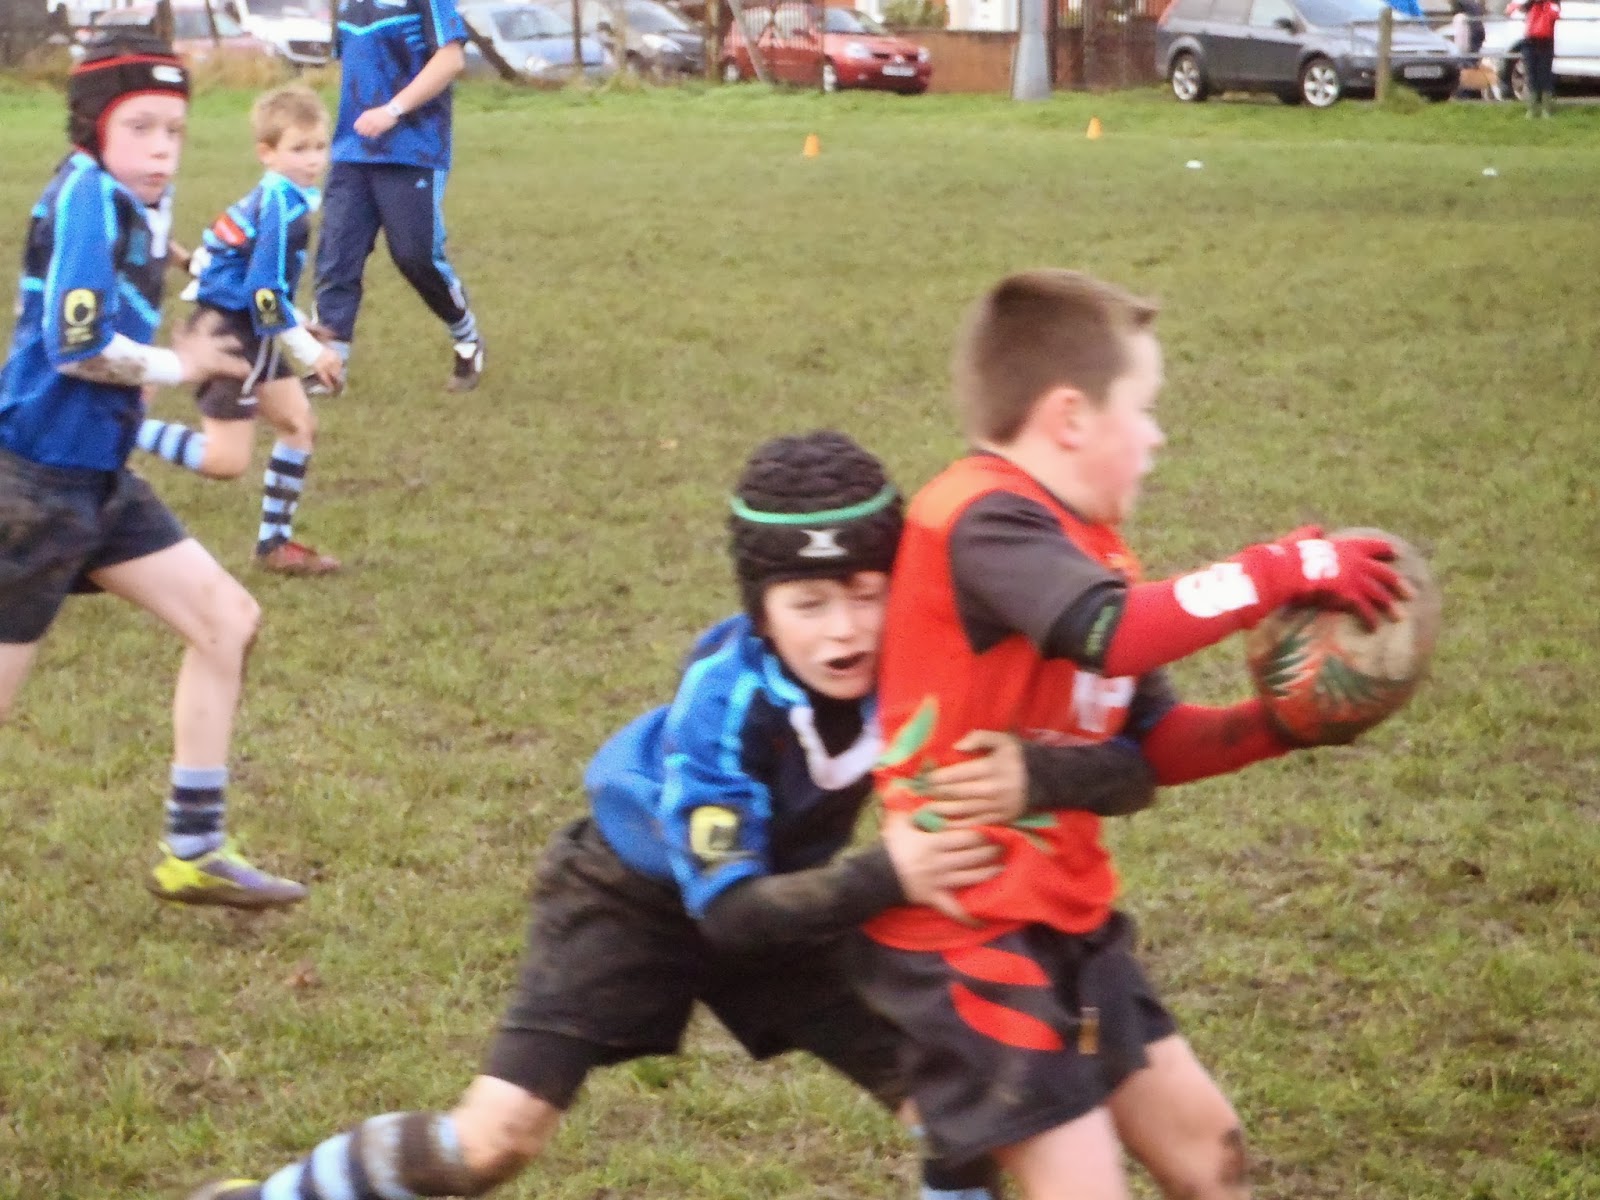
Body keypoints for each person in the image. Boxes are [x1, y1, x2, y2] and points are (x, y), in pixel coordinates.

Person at [182, 430, 1158, 1200]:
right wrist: (892, 875)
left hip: (798, 902)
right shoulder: (724, 700)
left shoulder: (912, 662)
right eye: (808, 601)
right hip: (633, 897)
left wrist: (1057, 768)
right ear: (759, 603)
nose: (846, 629)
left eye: (867, 594)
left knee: (959, 1098)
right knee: (491, 1145)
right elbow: (726, 915)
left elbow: (1122, 757)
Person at [852, 269, 1409, 1200]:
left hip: (1065, 920)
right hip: (966, 934)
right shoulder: (977, 517)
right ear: (1070, 417)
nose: (1157, 437)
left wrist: (1286, 726)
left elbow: (1145, 744)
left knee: (1209, 1157)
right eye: (1143, 409)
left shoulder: (1091, 554)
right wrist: (1286, 566)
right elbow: (1116, 632)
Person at [0, 32, 309, 909]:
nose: (161, 152)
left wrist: (182, 264)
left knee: (226, 621)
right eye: (140, 129)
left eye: (174, 131)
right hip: (31, 487)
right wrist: (181, 365)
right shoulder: (91, 196)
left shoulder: (129, 200)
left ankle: (193, 849)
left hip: (98, 483)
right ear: (95, 127)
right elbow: (77, 344)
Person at [136, 83, 346, 576]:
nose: (313, 159)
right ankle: (118, 432)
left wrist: (297, 324)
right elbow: (263, 291)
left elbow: (222, 261)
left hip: (249, 322)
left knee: (298, 426)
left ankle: (274, 545)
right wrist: (309, 352)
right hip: (229, 332)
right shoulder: (280, 204)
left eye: (319, 146)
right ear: (266, 153)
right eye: (298, 149)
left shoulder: (280, 196)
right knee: (226, 461)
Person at [315, 0, 484, 392]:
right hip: (352, 151)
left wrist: (393, 109)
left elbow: (450, 59)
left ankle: (466, 336)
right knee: (337, 255)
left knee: (415, 256)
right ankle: (330, 366)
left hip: (413, 149)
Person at [1507, 0, 1560, 116]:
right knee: (1531, 75)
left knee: (1544, 75)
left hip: (1545, 42)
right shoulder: (1530, 5)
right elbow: (1515, 9)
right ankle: (1532, 108)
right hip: (1530, 41)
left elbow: (1555, 14)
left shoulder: (1551, 5)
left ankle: (1546, 108)